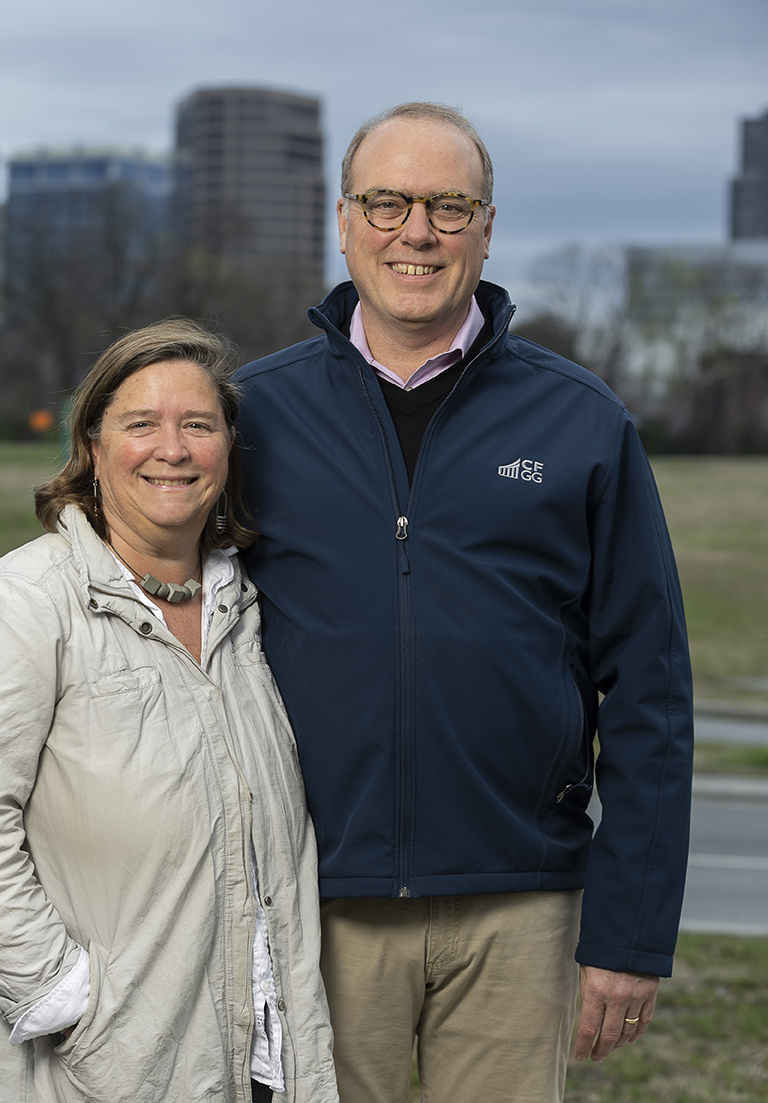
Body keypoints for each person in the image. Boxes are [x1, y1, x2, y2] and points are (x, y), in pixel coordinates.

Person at [234, 103, 693, 1103]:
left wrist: (631, 931)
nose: (418, 232)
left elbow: (651, 690)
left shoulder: (582, 420)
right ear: (344, 220)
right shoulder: (251, 414)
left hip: (518, 906)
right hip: (313, 895)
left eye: (449, 206)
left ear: (487, 227)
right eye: (389, 202)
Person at [0, 319, 338, 1103]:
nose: (171, 449)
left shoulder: (245, 609)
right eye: (141, 423)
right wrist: (79, 1007)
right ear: (94, 444)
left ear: (227, 447)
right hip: (83, 1070)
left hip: (244, 1063)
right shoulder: (26, 603)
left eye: (198, 425)